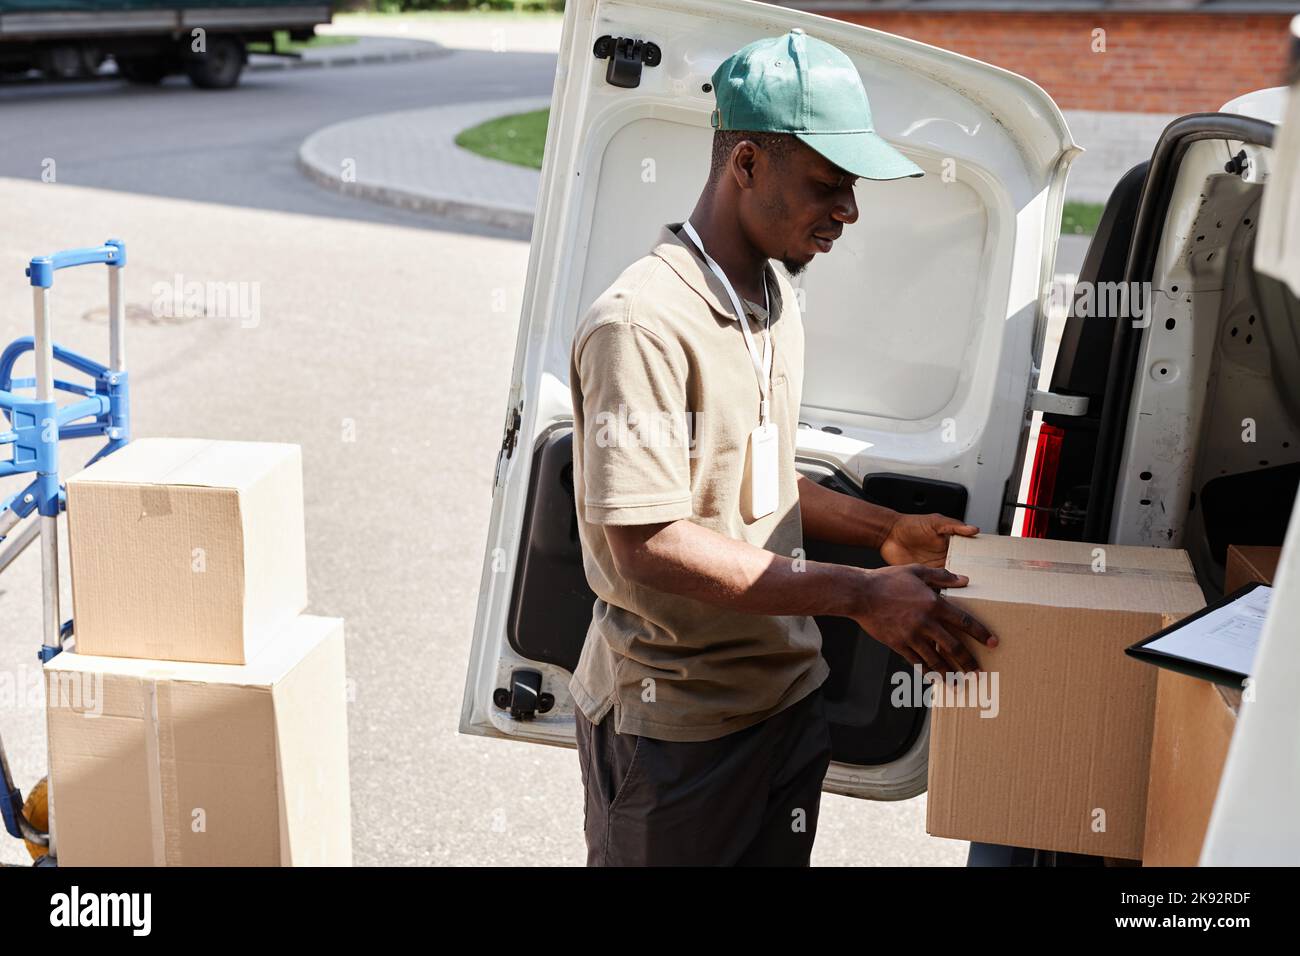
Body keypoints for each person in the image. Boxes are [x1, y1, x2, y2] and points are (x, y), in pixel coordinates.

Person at [568, 28, 996, 866]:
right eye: (828, 186)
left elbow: (748, 474)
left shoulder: (771, 292)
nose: (849, 211)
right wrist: (862, 595)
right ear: (748, 165)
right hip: (680, 730)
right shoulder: (642, 324)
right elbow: (648, 542)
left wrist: (881, 529)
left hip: (786, 701)